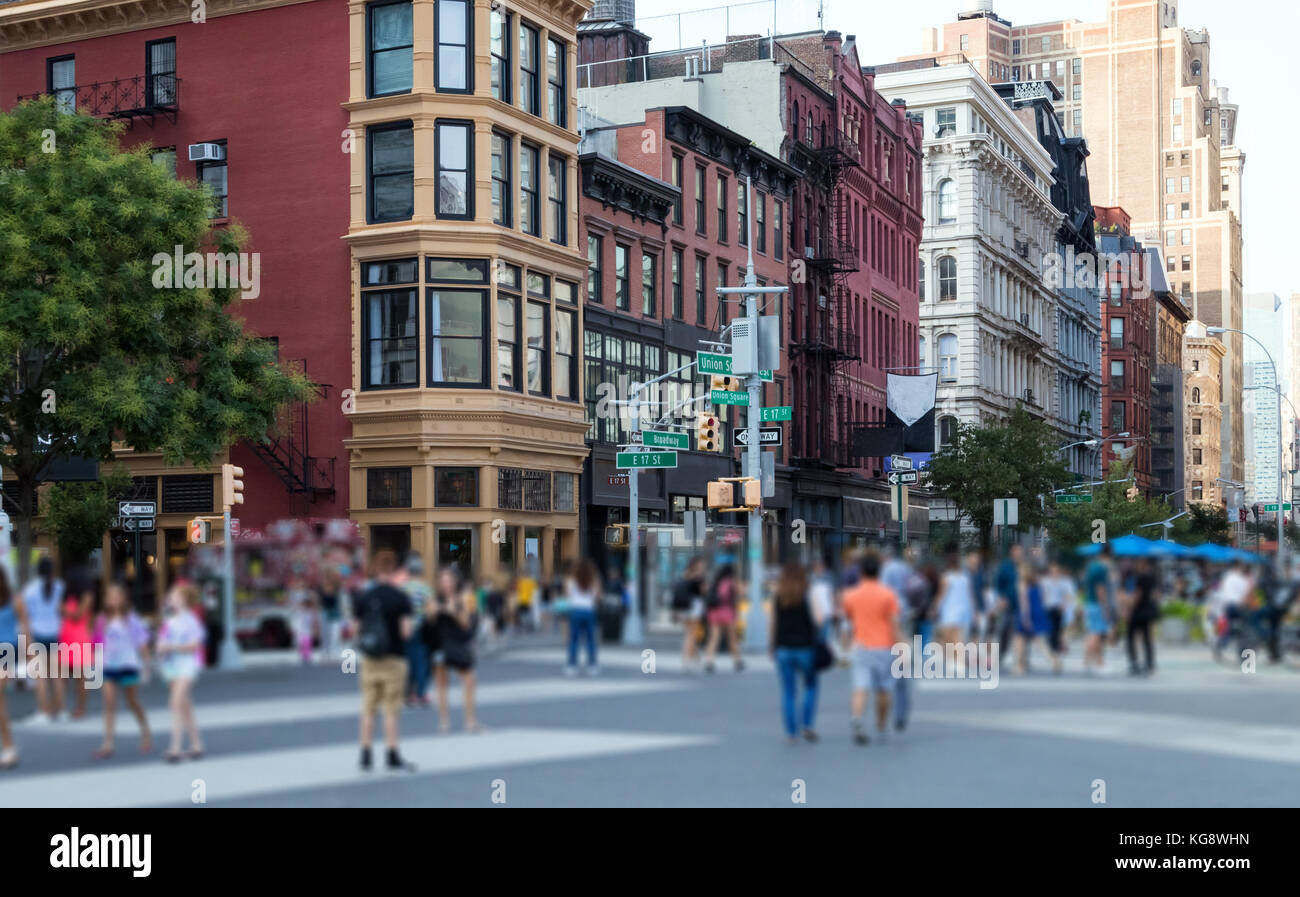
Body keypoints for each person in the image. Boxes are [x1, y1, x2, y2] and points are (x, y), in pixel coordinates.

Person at [354, 550, 416, 772]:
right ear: (394, 571)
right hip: (394, 659)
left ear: (375, 569)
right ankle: (391, 753)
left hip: (370, 660)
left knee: (368, 708)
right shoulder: (400, 598)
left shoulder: (364, 598)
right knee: (391, 709)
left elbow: (355, 630)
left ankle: (366, 754)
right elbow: (406, 632)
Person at [841, 552, 901, 745]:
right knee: (884, 689)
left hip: (862, 646)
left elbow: (847, 622)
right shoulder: (888, 594)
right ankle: (881, 724)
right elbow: (894, 624)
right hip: (884, 646)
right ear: (879, 571)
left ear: (861, 572)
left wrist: (845, 644)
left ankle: (857, 719)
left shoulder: (850, 595)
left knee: (861, 687)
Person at [92, 582, 152, 759]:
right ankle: (108, 743)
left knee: (132, 702)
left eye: (117, 596)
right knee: (109, 703)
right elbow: (96, 645)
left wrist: (147, 665)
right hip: (109, 666)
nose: (114, 600)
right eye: (110, 597)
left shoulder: (131, 619)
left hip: (128, 665)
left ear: (123, 599)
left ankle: (145, 731)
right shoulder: (102, 620)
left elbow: (141, 643)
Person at [769, 562, 825, 743]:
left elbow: (773, 624)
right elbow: (819, 619)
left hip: (784, 649)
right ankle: (807, 725)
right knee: (810, 686)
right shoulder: (808, 594)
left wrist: (772, 645)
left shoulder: (778, 596)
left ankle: (791, 732)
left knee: (788, 691)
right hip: (806, 648)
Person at [157, 583, 206, 762]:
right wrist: (162, 648)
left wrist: (172, 646)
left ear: (184, 601)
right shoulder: (169, 621)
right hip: (172, 665)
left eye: (175, 597)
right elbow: (162, 641)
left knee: (175, 702)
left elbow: (196, 645)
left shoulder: (191, 620)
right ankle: (196, 744)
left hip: (187, 664)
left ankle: (175, 747)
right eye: (171, 597)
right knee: (185, 706)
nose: (172, 600)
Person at [430, 565, 481, 733]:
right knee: (441, 685)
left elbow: (466, 623)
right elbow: (429, 620)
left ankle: (470, 721)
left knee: (469, 681)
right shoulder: (434, 599)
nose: (446, 583)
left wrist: (452, 612)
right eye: (442, 580)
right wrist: (433, 611)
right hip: (440, 645)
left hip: (459, 644)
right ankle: (444, 723)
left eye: (449, 580)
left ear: (454, 581)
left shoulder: (463, 598)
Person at [22, 557, 65, 723]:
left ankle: (44, 711)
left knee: (40, 677)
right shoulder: (59, 586)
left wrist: (26, 639)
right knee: (57, 676)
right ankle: (60, 711)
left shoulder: (30, 589)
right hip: (55, 633)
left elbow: (26, 617)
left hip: (37, 633)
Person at [0, 569, 28, 768]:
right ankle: (9, 747)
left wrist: (30, 653)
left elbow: (25, 627)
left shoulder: (15, 600)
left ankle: (10, 747)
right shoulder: (15, 599)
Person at [56, 573, 94, 719]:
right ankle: (62, 707)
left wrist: (65, 611)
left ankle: (80, 708)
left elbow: (78, 615)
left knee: (80, 677)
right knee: (62, 675)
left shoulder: (86, 596)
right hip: (67, 636)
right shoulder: (68, 596)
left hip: (78, 638)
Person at [402, 553, 433, 707]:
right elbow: (430, 610)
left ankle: (409, 693)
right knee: (421, 661)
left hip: (406, 629)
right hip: (422, 629)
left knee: (408, 661)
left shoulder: (403, 588)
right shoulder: (425, 589)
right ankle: (422, 692)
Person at [563, 559, 601, 676]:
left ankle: (572, 665)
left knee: (574, 639)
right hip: (589, 610)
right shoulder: (593, 581)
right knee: (590, 639)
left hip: (576, 610)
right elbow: (597, 596)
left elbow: (568, 595)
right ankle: (592, 665)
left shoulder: (571, 580)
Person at [703, 564, 743, 673]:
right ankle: (737, 660)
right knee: (732, 638)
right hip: (727, 612)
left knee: (714, 638)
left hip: (714, 613)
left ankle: (709, 661)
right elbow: (739, 595)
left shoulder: (716, 582)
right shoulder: (731, 582)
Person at [1081, 545, 1115, 674]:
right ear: (1107, 556)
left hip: (1089, 602)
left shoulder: (1091, 566)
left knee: (1092, 633)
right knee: (1096, 634)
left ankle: (1088, 662)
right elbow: (1100, 589)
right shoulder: (1101, 569)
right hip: (1097, 604)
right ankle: (1098, 663)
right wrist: (1105, 607)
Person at [1014, 561, 1052, 675]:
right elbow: (1044, 598)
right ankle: (1052, 659)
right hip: (1038, 612)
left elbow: (1024, 603)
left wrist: (1026, 618)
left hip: (1026, 614)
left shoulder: (1022, 584)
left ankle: (1020, 666)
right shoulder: (1038, 583)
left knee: (1020, 640)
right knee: (1039, 640)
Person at [934, 553, 976, 653]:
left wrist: (935, 608)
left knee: (948, 637)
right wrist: (973, 611)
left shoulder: (946, 578)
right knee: (958, 636)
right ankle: (957, 660)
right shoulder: (965, 579)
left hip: (949, 611)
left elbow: (941, 595)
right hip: (963, 611)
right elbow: (970, 596)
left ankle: (953, 660)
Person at [671, 557, 708, 671]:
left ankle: (696, 658)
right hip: (694, 606)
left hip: (683, 607)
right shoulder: (699, 577)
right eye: (701, 564)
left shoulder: (685, 574)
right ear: (697, 565)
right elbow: (704, 592)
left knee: (689, 634)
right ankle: (685, 660)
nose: (703, 567)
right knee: (691, 635)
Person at [1039, 562, 1076, 674]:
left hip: (1058, 609)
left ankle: (1055, 654)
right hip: (1048, 609)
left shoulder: (1063, 582)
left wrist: (1064, 606)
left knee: (1056, 631)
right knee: (1050, 632)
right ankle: (1054, 653)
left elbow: (1068, 595)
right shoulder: (1044, 582)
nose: (1054, 573)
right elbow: (1042, 595)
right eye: (1052, 571)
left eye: (1056, 571)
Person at [1127, 557, 1159, 675]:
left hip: (1138, 611)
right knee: (1146, 637)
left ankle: (1134, 662)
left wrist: (1130, 608)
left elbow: (1137, 595)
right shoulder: (1152, 577)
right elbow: (1155, 594)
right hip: (1147, 610)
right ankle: (1149, 662)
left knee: (1131, 636)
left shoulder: (1141, 578)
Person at [993, 544, 1023, 661]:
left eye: (1020, 551)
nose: (1019, 553)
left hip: (1022, 603)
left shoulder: (1023, 566)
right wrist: (1000, 598)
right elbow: (997, 583)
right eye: (1017, 551)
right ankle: (1001, 653)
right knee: (1005, 629)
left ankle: (1022, 658)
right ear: (1012, 552)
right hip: (1008, 603)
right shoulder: (1005, 567)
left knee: (1022, 632)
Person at [317, 566, 345, 663]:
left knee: (335, 634)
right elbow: (322, 599)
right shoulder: (322, 586)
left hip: (335, 612)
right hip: (325, 612)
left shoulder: (337, 586)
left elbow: (337, 598)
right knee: (325, 635)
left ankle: (333, 653)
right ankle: (325, 653)